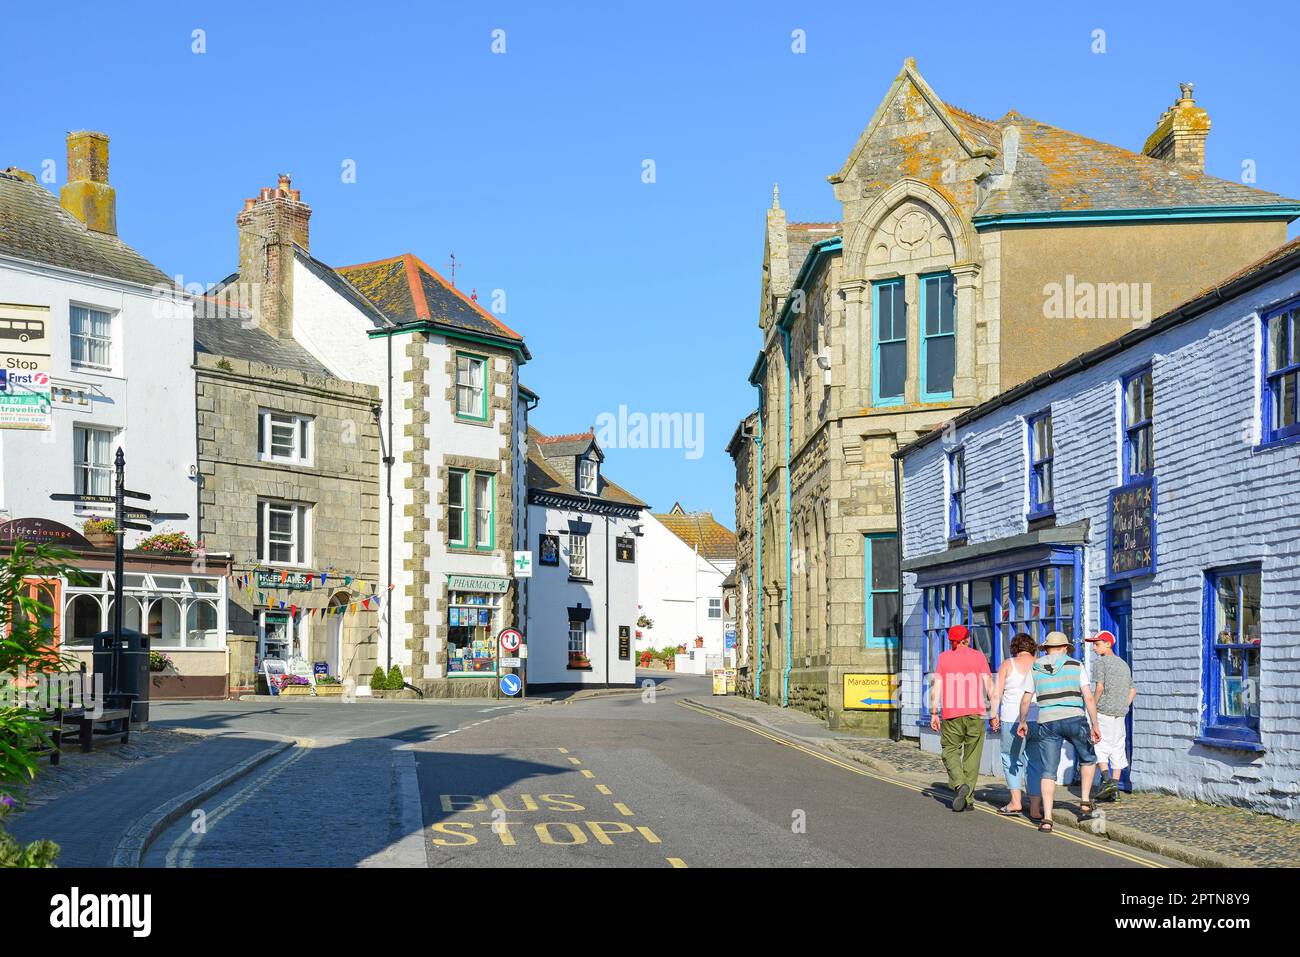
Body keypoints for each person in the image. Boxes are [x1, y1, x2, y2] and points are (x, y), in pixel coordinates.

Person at [1017, 630, 1101, 832]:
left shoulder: (1035, 667)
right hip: (1074, 718)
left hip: (1047, 720)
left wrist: (1022, 721)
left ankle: (1046, 818)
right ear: (1064, 648)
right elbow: (1088, 698)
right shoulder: (1075, 665)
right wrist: (1095, 725)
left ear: (1046, 649)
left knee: (1048, 770)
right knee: (1088, 758)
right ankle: (1084, 801)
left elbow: (1026, 699)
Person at [930, 624, 994, 812]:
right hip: (976, 713)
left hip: (951, 714)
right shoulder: (979, 657)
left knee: (950, 751)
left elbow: (937, 688)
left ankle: (959, 784)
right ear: (967, 638)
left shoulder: (943, 658)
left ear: (952, 641)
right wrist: (995, 712)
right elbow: (989, 687)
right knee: (972, 757)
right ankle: (968, 799)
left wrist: (934, 712)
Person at [989, 632, 1038, 815]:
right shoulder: (1039, 665)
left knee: (1011, 758)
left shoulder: (1007, 665)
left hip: (1012, 719)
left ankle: (1016, 802)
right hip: (1037, 718)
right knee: (1035, 763)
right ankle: (1034, 808)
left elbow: (996, 694)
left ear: (1015, 648)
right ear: (1032, 647)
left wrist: (993, 714)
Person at [1086, 630, 1136, 802]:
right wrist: (1124, 705)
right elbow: (1133, 690)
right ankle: (1115, 790)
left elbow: (1099, 687)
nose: (1094, 648)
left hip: (1103, 711)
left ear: (1108, 644)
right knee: (1117, 747)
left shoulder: (1101, 663)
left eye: (1097, 644)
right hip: (1120, 713)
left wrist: (1091, 704)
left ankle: (1107, 782)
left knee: (1099, 745)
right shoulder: (1123, 664)